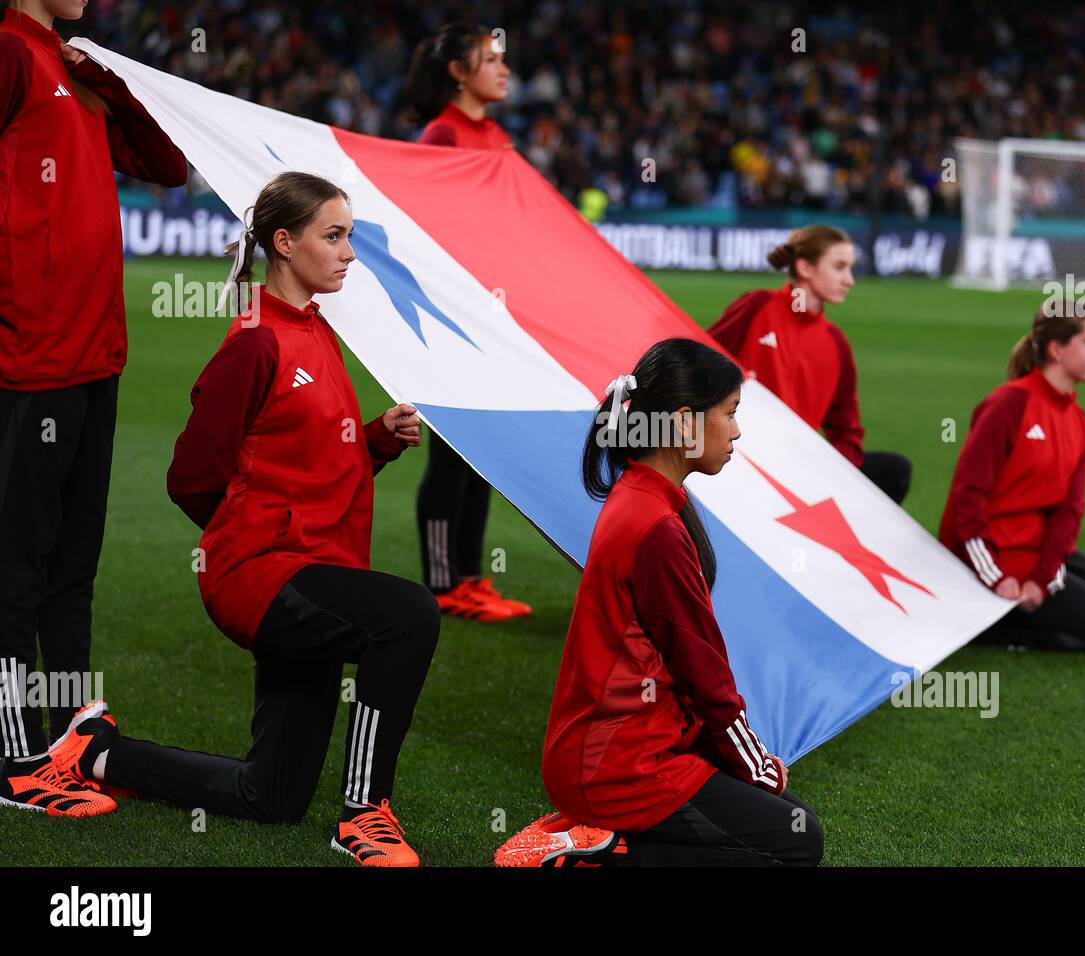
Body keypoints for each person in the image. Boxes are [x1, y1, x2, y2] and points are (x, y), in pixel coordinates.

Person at [41, 172, 441, 867]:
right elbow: (191, 477)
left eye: (350, 237)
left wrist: (374, 438)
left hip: (306, 570)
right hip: (264, 575)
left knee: (271, 797)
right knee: (407, 615)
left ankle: (98, 755)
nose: (349, 253)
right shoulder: (257, 341)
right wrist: (251, 539)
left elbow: (311, 460)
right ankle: (363, 814)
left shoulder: (313, 327)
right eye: (334, 236)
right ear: (284, 243)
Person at [495, 338, 824, 866]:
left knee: (786, 826)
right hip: (617, 763)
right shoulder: (656, 526)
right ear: (687, 421)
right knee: (797, 842)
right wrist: (758, 767)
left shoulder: (640, 495)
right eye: (731, 413)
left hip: (616, 746)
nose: (737, 430)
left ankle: (594, 838)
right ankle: (588, 854)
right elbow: (706, 677)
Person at [0, 0, 187, 815]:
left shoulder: (71, 67)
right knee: (14, 567)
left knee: (73, 565)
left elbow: (169, 164)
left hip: (94, 354)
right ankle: (10, 756)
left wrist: (115, 83)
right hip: (27, 360)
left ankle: (70, 728)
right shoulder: (9, 52)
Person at [402, 21, 530, 622]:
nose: (504, 69)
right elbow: (423, 233)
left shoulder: (495, 135)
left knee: (484, 455)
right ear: (458, 70)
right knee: (451, 456)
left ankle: (473, 579)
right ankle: (442, 583)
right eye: (491, 59)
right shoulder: (443, 136)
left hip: (493, 320)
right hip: (452, 322)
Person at [939, 300, 1085, 652]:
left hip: (1034, 546)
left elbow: (1069, 512)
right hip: (994, 551)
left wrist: (1041, 579)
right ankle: (989, 629)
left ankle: (1013, 608)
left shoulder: (1082, 424)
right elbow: (968, 496)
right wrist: (997, 577)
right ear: (1057, 350)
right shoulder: (1010, 404)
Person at [709, 224, 912, 504]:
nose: (849, 279)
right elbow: (700, 362)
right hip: (740, 460)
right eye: (840, 267)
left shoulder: (835, 342)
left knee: (895, 471)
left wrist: (835, 473)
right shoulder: (758, 306)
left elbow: (846, 430)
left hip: (799, 469)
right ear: (805, 268)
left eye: (850, 268)